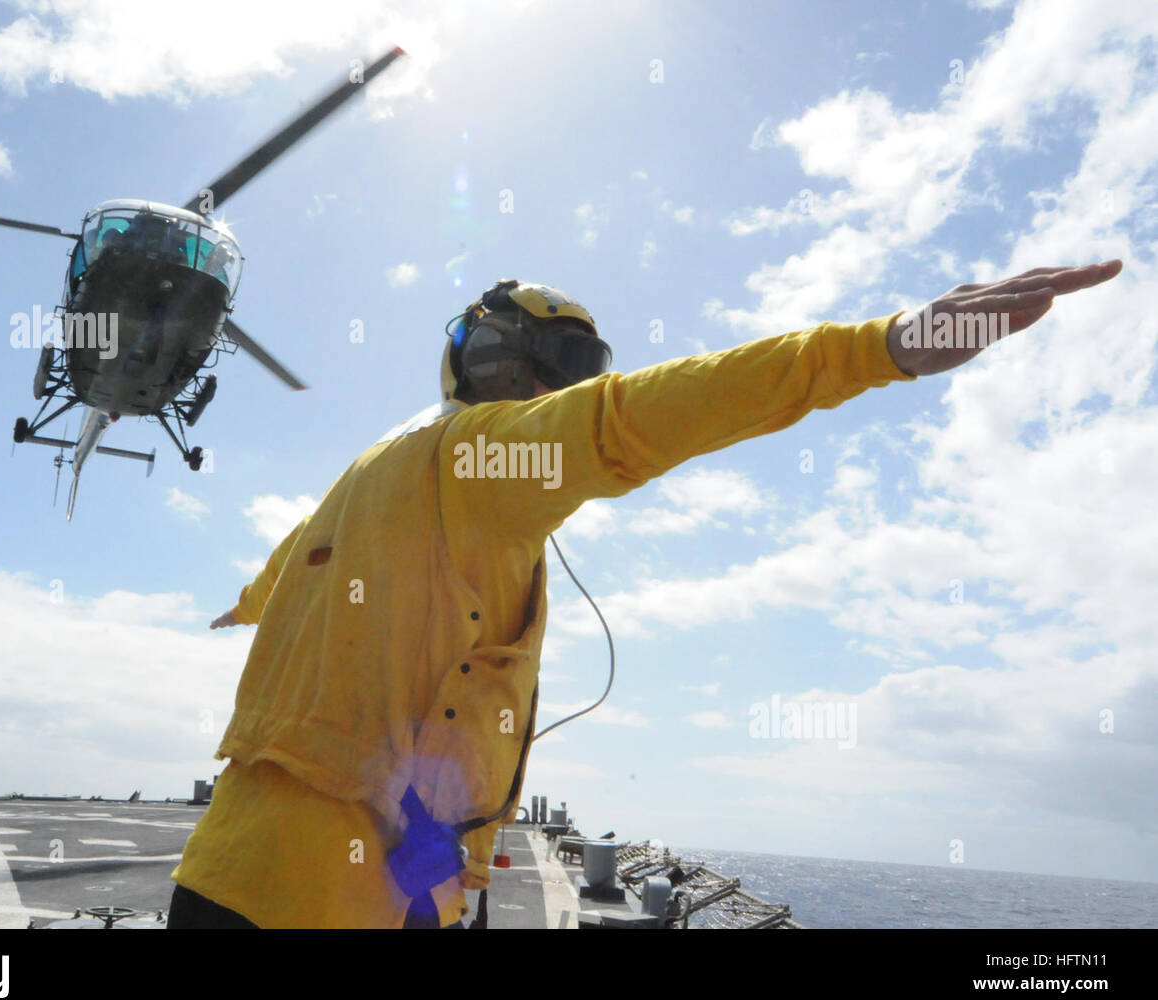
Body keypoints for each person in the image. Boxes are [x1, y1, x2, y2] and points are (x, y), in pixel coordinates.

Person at [168, 262, 1122, 929]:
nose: (554, 391)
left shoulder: (373, 470)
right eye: (546, 370)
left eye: (573, 374)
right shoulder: (483, 459)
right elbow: (643, 419)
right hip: (337, 902)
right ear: (494, 367)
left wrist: (248, 604)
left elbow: (295, 558)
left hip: (220, 871)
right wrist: (883, 349)